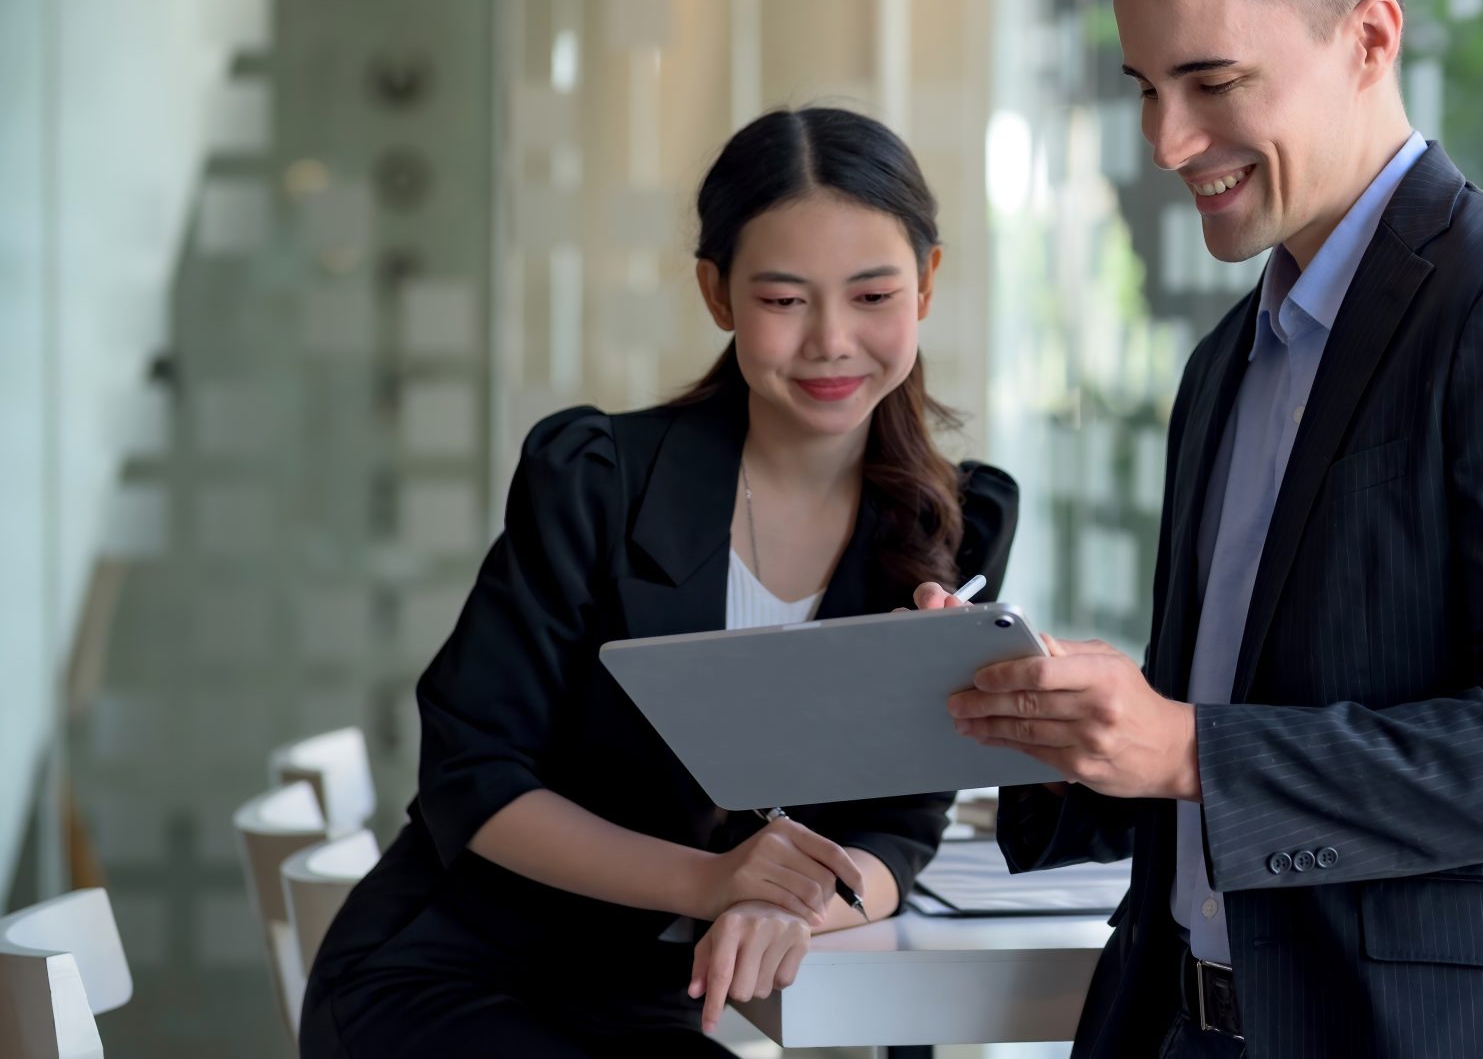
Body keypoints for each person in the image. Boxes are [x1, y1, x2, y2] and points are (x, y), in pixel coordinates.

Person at [919, 0, 1483, 1058]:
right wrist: (1041, 710)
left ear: (1370, 37)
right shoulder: (1229, 361)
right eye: (1143, 89)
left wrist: (1186, 743)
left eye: (1212, 82)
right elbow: (1224, 733)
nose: (1167, 141)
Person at [301, 107, 1017, 1058]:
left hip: (653, 1004)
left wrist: (801, 904)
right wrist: (718, 880)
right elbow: (472, 779)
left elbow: (901, 826)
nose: (832, 341)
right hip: (458, 975)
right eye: (784, 300)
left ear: (926, 284)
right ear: (717, 295)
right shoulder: (596, 477)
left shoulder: (952, 523)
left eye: (873, 295)